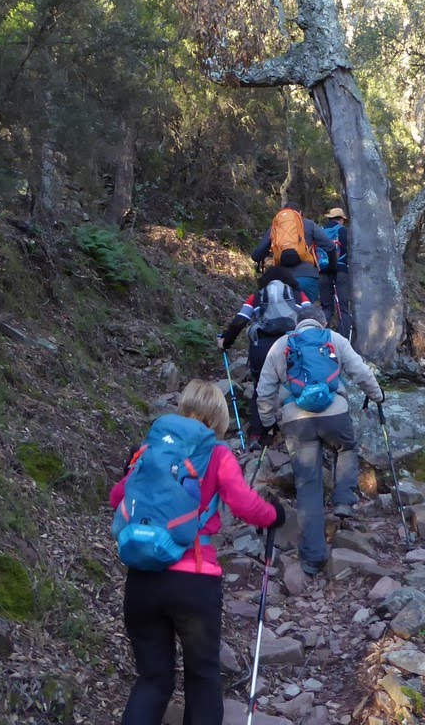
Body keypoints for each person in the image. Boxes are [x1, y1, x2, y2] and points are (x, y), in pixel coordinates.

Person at [110, 380, 284, 725]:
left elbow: (117, 498)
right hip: (194, 583)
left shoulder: (152, 450)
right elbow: (243, 503)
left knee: (153, 679)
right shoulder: (216, 453)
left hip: (143, 580)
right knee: (202, 678)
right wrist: (274, 515)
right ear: (218, 419)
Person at [254, 307, 382, 576]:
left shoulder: (282, 345)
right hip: (334, 414)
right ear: (322, 322)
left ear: (297, 324)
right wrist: (377, 395)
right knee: (346, 448)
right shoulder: (334, 339)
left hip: (296, 420)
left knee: (308, 486)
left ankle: (312, 559)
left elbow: (264, 389)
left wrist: (267, 423)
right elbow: (361, 371)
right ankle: (343, 499)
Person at [217, 266, 312, 441]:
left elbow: (240, 321)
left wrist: (225, 342)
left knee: (260, 389)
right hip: (291, 346)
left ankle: (256, 433)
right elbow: (312, 318)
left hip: (261, 348)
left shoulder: (257, 297)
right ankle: (292, 432)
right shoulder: (299, 296)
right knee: (294, 385)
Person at [250, 202, 338, 303]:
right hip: (307, 277)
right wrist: (331, 269)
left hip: (282, 280)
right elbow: (331, 247)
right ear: (299, 213)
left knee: (286, 310)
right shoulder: (309, 224)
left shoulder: (276, 227)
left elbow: (257, 255)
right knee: (306, 310)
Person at [319, 207, 352, 339]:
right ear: (341, 219)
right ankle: (342, 340)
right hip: (341, 270)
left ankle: (321, 339)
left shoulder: (321, 231)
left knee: (326, 307)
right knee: (342, 308)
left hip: (323, 270)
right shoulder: (343, 231)